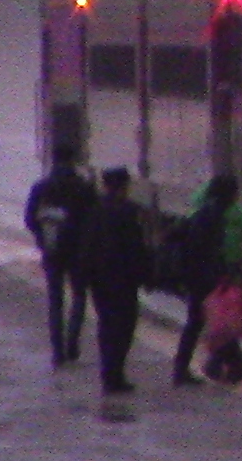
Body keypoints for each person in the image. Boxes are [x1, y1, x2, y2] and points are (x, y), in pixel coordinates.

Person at [173, 174, 242, 384]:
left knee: (202, 321)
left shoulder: (198, 210)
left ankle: (217, 366)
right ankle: (221, 365)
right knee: (228, 319)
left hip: (197, 274)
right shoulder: (231, 213)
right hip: (222, 275)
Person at [24, 145, 96, 368]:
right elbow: (94, 220)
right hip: (78, 251)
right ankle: (72, 342)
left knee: (55, 300)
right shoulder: (84, 188)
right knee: (78, 297)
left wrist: (43, 238)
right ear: (73, 161)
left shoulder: (41, 187)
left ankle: (57, 350)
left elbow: (30, 219)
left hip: (52, 250)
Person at [79, 167, 150, 394]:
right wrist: (145, 275)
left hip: (100, 279)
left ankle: (109, 373)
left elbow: (87, 246)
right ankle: (116, 373)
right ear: (124, 186)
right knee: (125, 326)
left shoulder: (94, 211)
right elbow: (136, 247)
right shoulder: (129, 211)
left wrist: (85, 277)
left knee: (106, 324)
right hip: (124, 279)